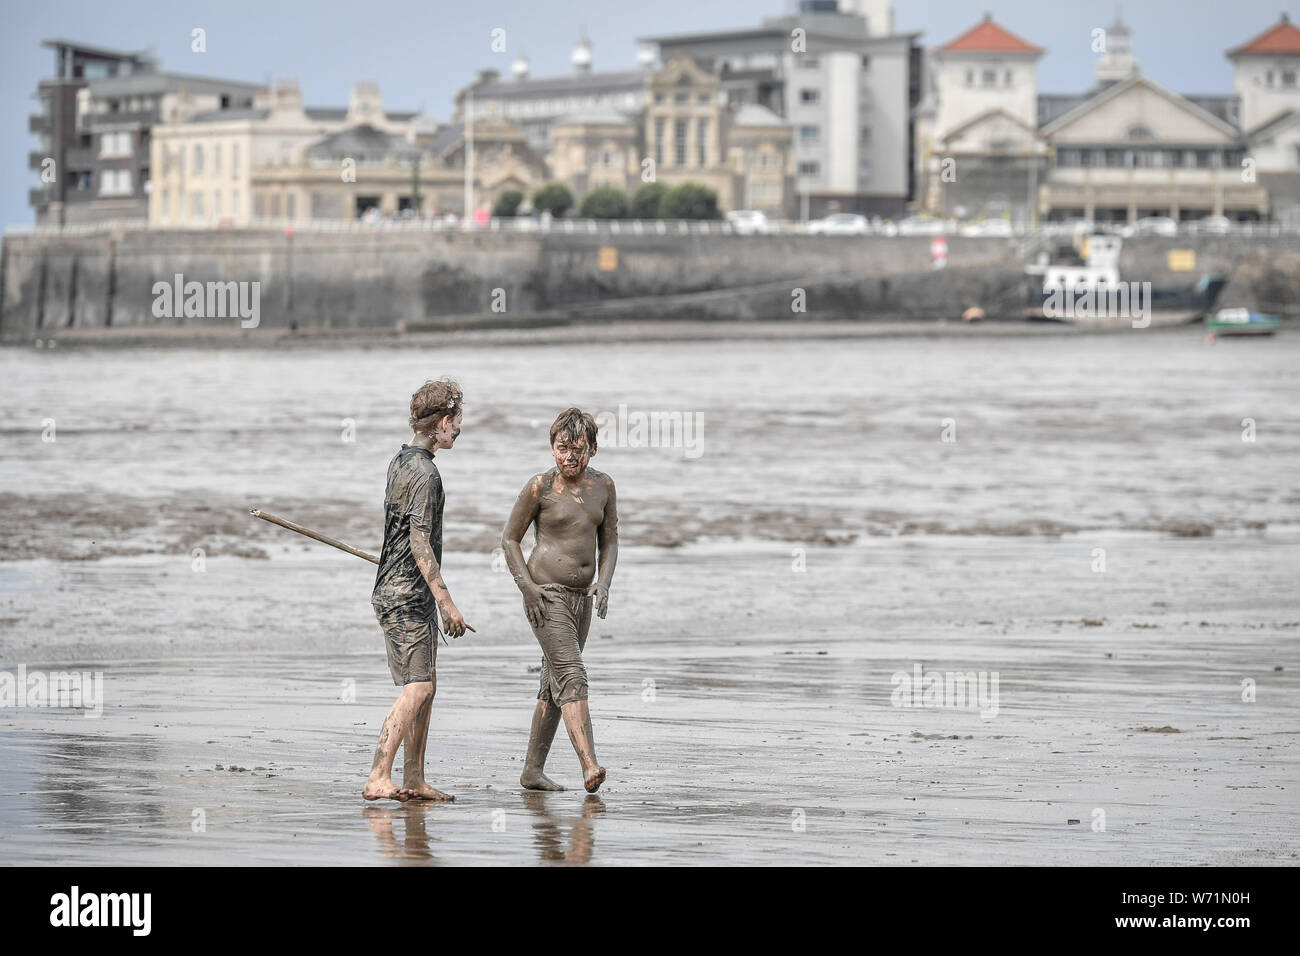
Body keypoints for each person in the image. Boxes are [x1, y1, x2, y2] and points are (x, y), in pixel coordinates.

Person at [502, 408, 618, 793]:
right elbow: (510, 539)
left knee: (553, 683)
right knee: (573, 675)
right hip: (544, 596)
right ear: (552, 448)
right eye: (562, 448)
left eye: (579, 449)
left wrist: (603, 583)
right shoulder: (540, 487)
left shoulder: (604, 487)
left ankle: (532, 772)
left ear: (593, 450)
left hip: (581, 598)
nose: (570, 456)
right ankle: (590, 765)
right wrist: (527, 588)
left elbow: (611, 540)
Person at [363, 378, 468, 802]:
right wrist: (448, 603)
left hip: (400, 588)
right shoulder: (426, 474)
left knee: (427, 685)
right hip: (406, 597)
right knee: (418, 687)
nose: (459, 430)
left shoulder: (400, 461)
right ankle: (377, 776)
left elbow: (401, 532)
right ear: (443, 422)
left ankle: (414, 779)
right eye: (457, 422)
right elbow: (420, 542)